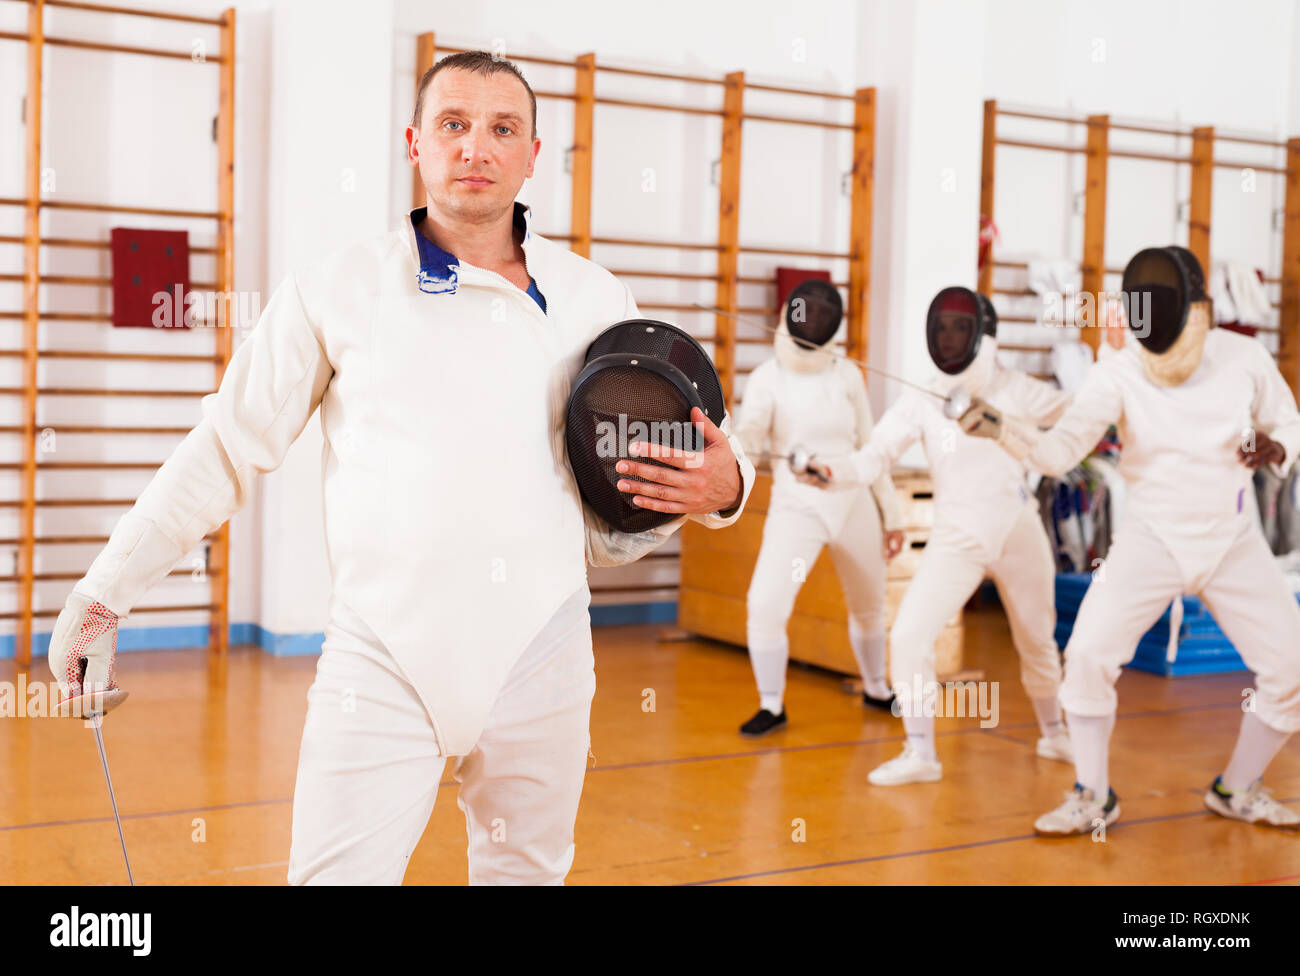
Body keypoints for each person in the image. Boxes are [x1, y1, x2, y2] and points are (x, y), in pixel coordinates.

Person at [46, 51, 754, 884]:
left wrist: (728, 489)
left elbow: (684, 458)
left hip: (545, 648)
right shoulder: (338, 288)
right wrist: (105, 590)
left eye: (501, 129)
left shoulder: (597, 299)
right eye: (453, 125)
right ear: (416, 144)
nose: (475, 148)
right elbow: (226, 446)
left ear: (533, 154)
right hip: (381, 656)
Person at [960, 246, 1300, 833]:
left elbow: (1288, 421)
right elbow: (1063, 450)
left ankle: (1236, 788)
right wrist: (1004, 429)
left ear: (1196, 307)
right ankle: (1094, 795)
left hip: (1233, 540)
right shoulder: (1117, 369)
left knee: (1291, 666)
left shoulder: (1243, 355)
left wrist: (1275, 448)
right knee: (1088, 656)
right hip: (1151, 540)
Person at [802, 287, 1074, 785]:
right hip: (956, 535)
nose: (948, 337)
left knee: (1037, 638)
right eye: (941, 327)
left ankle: (1055, 734)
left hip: (1016, 528)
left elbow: (1078, 421)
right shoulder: (923, 395)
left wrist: (1007, 425)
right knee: (908, 635)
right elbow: (874, 456)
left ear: (984, 337)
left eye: (959, 327)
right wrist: (829, 472)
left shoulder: (1019, 389)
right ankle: (921, 752)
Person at [732, 280, 906, 737]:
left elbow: (871, 447)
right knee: (765, 604)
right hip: (798, 507)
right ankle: (771, 704)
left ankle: (876, 689)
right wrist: (733, 447)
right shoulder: (767, 377)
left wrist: (893, 516)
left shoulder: (847, 374)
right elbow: (750, 435)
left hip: (853, 502)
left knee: (869, 605)